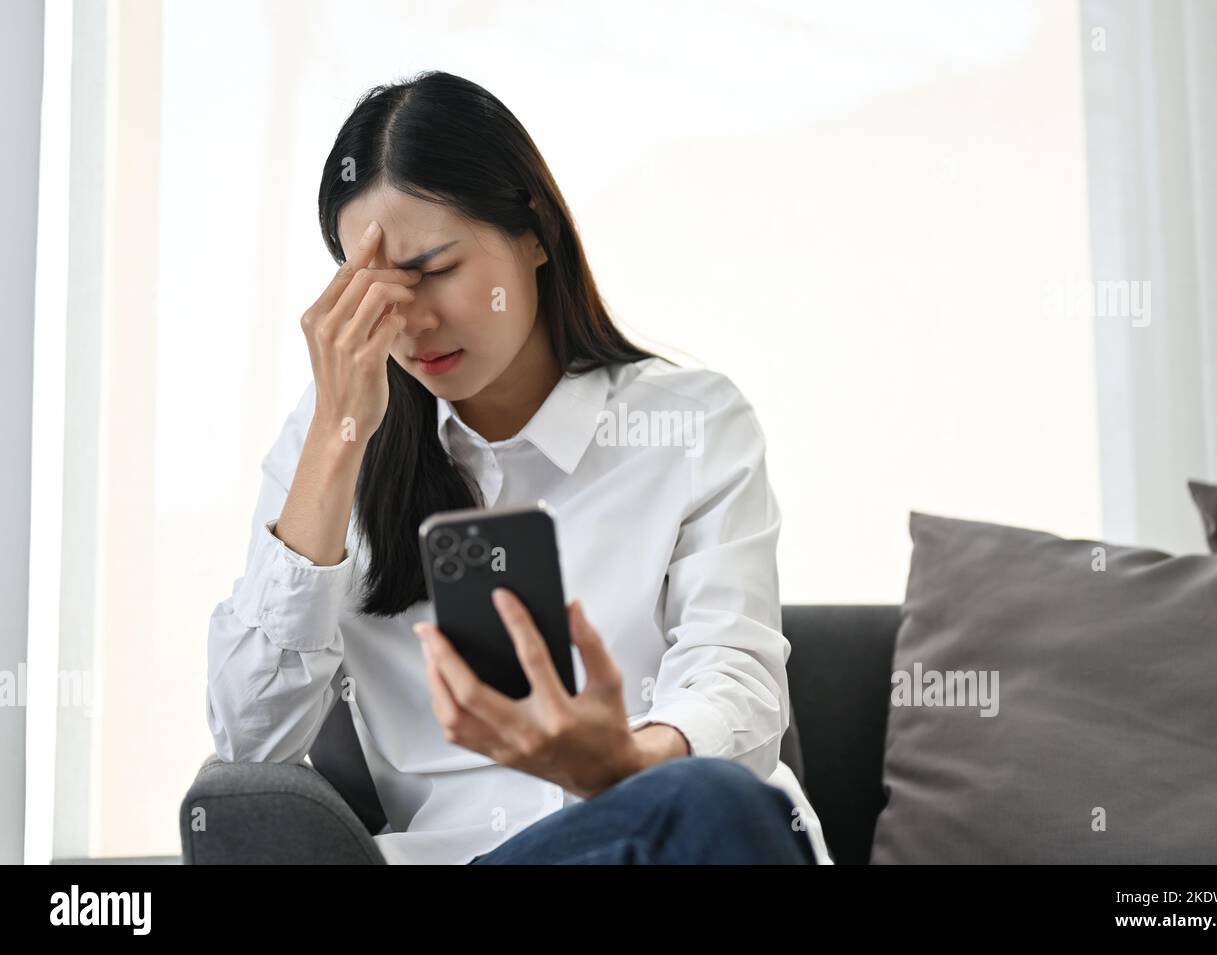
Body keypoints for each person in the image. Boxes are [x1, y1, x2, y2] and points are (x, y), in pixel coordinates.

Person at [206, 70, 830, 865]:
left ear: (533, 230)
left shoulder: (694, 423)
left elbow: (735, 682)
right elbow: (250, 741)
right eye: (377, 292)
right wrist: (337, 436)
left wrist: (626, 764)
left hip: (673, 832)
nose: (415, 319)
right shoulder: (335, 436)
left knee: (714, 804)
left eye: (434, 268)